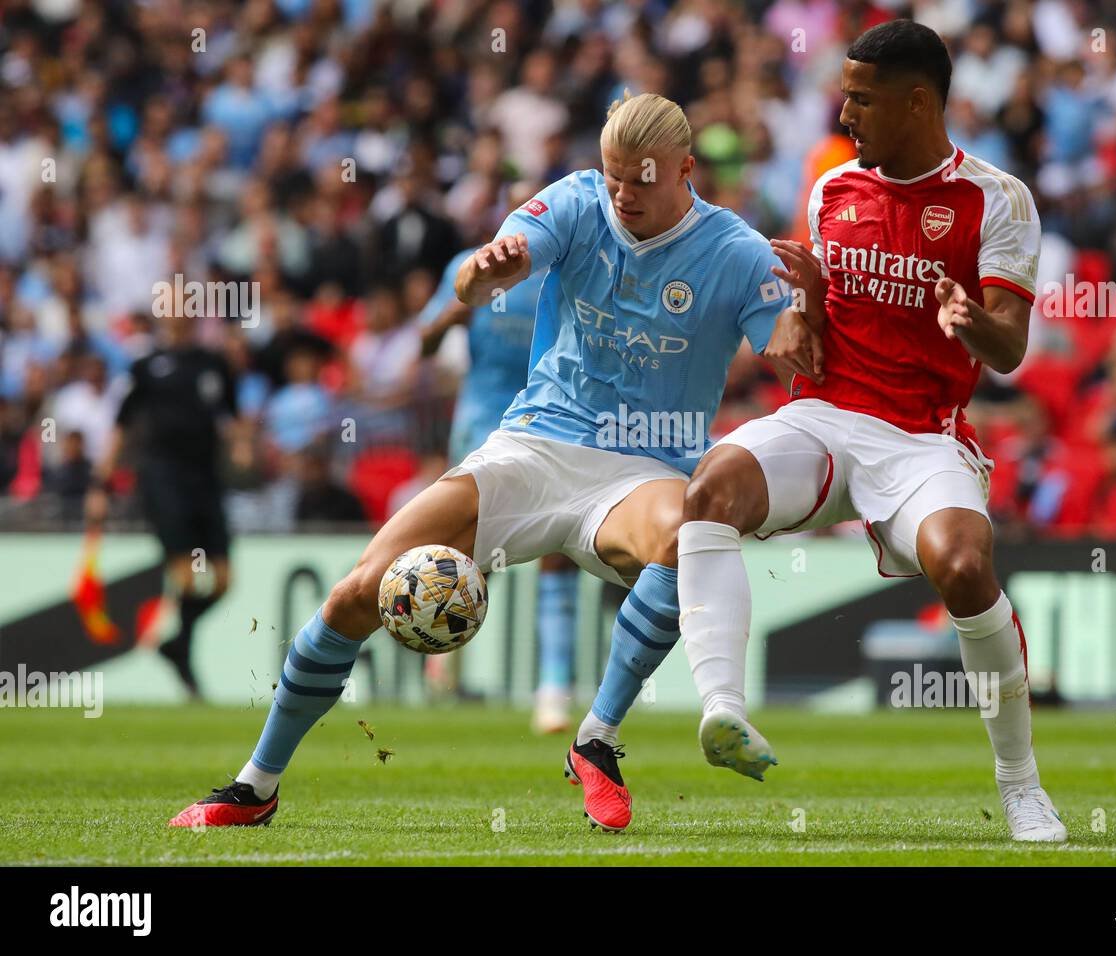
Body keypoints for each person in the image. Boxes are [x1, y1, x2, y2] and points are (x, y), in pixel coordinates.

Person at [168, 92, 798, 833]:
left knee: (684, 535)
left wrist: (794, 327)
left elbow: (789, 353)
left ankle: (595, 737)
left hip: (644, 467)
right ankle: (256, 784)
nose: (623, 194)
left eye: (642, 179)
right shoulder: (575, 201)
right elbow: (473, 284)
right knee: (355, 595)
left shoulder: (738, 252)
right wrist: (484, 270)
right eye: (614, 176)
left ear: (687, 168)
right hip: (534, 446)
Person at [672, 21, 1068, 842]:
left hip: (924, 435)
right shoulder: (832, 191)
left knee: (963, 566)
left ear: (917, 101)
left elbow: (1010, 347)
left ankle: (1021, 785)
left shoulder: (995, 201)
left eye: (860, 99)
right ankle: (723, 711)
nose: (844, 115)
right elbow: (817, 318)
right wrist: (801, 306)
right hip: (826, 416)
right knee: (709, 490)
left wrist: (968, 321)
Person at [421, 221, 581, 735]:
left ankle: (552, 692)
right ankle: (446, 663)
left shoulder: (561, 271)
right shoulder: (466, 266)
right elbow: (422, 344)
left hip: (550, 417)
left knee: (559, 548)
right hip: (483, 419)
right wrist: (455, 310)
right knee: (473, 551)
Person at [85, 312, 237, 697]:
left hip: (206, 477)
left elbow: (231, 419)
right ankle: (181, 651)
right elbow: (121, 425)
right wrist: (100, 484)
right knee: (186, 576)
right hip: (163, 477)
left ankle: (178, 644)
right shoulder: (145, 367)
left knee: (222, 581)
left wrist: (245, 445)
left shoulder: (213, 363)